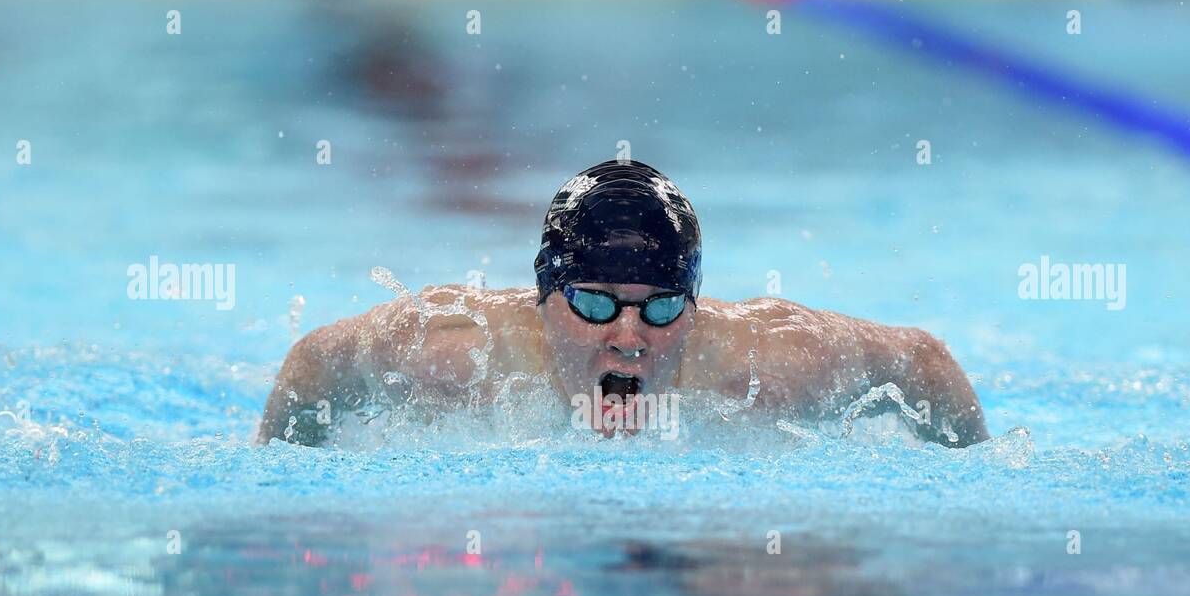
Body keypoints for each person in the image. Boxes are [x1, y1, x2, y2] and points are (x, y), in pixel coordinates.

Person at [257, 159, 988, 447]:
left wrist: (973, 478)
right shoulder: (459, 350)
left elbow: (923, 360)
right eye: (598, 307)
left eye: (662, 309)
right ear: (546, 297)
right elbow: (315, 359)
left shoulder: (767, 364)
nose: (630, 339)